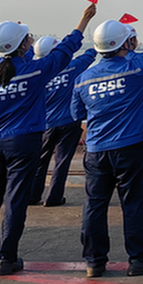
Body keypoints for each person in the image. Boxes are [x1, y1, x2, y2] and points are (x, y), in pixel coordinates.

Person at [0, 7, 95, 276]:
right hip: (23, 142)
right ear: (22, 46)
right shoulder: (36, 72)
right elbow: (65, 51)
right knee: (15, 203)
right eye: (27, 38)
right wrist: (84, 20)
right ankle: (7, 258)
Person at [70, 0, 143, 278]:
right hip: (131, 147)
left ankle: (94, 261)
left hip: (96, 151)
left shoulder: (83, 78)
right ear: (126, 44)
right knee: (132, 204)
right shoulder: (137, 68)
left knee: (94, 205)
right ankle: (139, 259)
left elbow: (76, 113)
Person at [30, 35, 97, 207]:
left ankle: (33, 195)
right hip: (68, 121)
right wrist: (96, 44)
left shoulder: (37, 72)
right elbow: (88, 57)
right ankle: (54, 197)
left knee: (40, 161)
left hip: (44, 124)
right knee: (62, 162)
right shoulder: (72, 67)